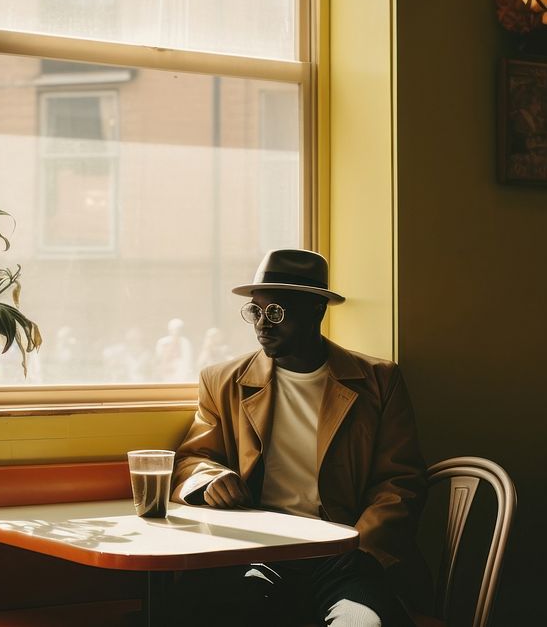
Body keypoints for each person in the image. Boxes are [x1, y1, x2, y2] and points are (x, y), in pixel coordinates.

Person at [170, 249, 429, 627]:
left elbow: (400, 482)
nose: (263, 325)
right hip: (259, 551)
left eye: (276, 312)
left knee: (363, 623)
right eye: (255, 312)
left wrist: (357, 546)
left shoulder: (379, 381)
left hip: (349, 556)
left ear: (316, 311)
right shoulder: (222, 381)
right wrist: (210, 479)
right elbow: (192, 459)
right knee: (221, 609)